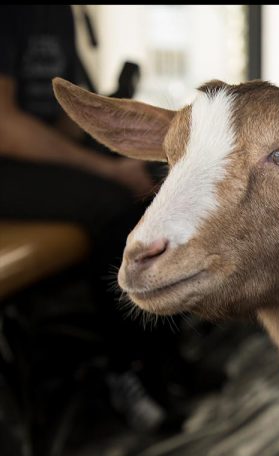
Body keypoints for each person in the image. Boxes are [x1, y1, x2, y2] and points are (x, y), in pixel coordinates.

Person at [0, 5, 185, 432]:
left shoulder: (59, 15)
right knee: (116, 206)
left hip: (33, 160)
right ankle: (124, 372)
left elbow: (61, 119)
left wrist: (114, 139)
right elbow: (6, 127)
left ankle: (165, 359)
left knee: (164, 180)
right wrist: (104, 168)